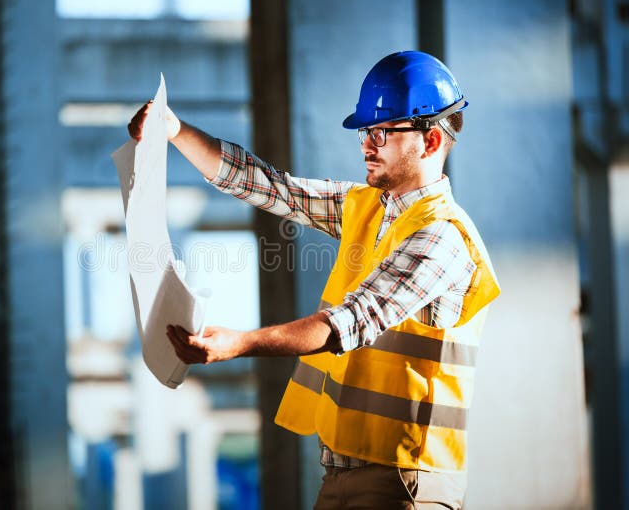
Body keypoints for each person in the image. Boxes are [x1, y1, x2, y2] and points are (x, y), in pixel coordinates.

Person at [128, 50, 500, 509]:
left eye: (382, 132)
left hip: (405, 480)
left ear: (429, 142)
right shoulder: (367, 207)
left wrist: (240, 343)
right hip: (343, 472)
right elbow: (269, 186)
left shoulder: (442, 237)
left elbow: (350, 322)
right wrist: (176, 132)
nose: (367, 144)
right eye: (366, 131)